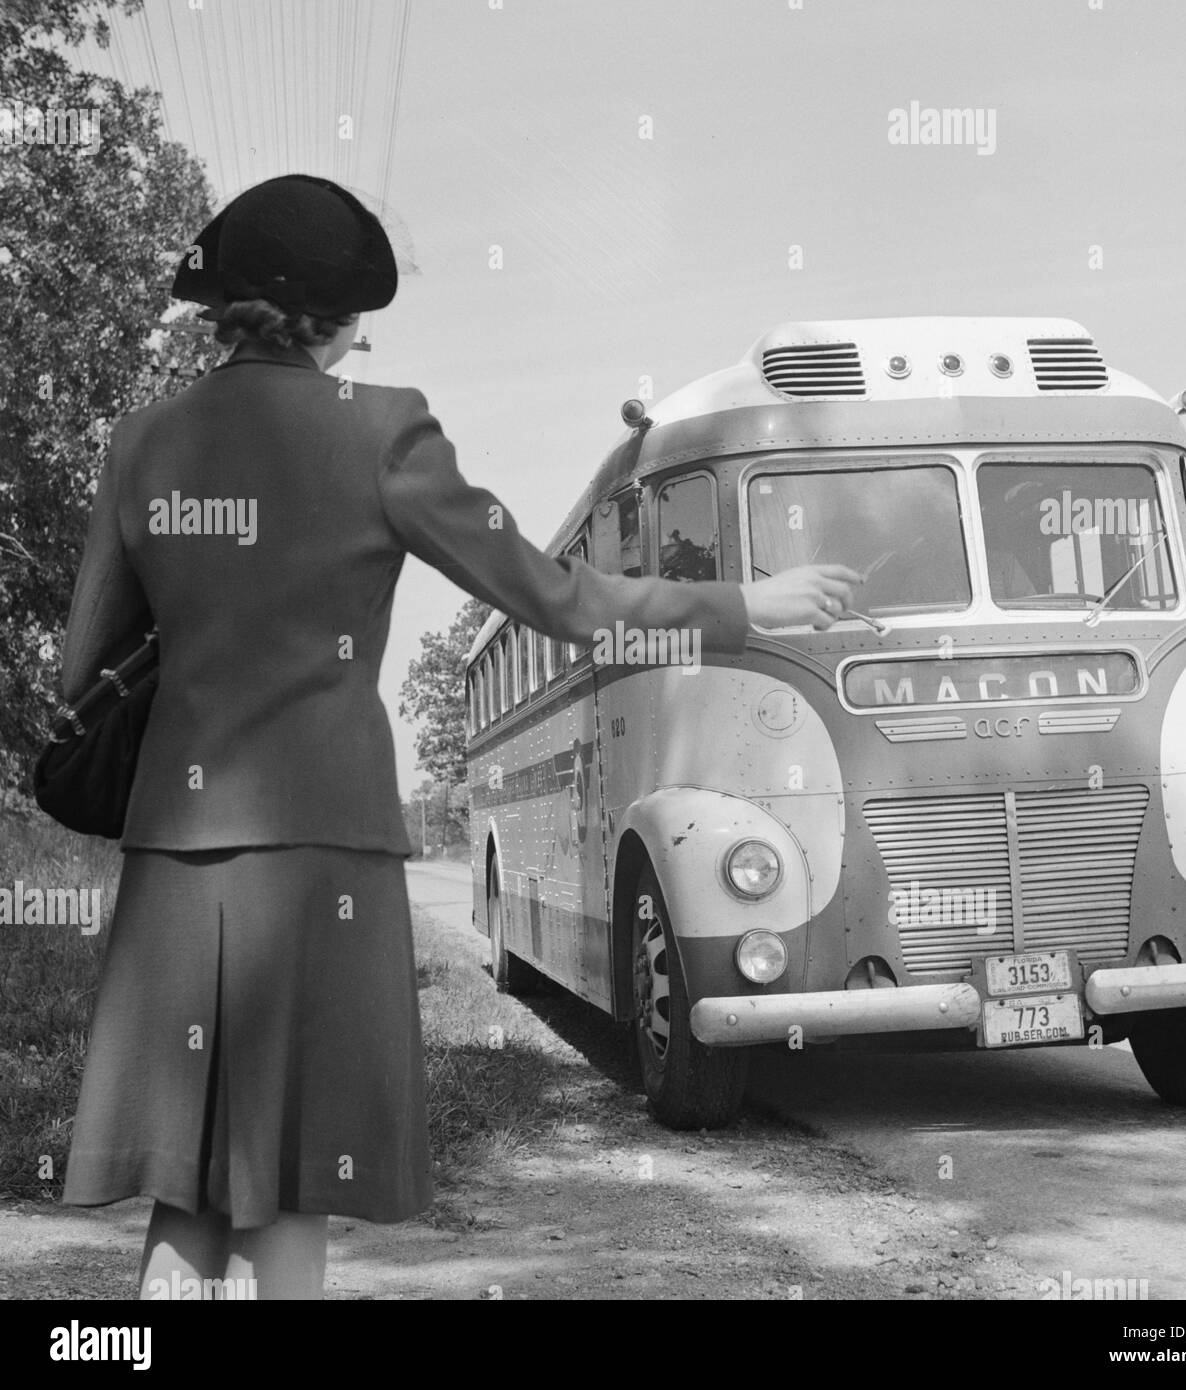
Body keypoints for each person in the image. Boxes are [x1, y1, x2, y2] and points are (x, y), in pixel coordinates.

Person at [58, 174, 859, 1300]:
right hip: (321, 857)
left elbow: (78, 667)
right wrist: (740, 605)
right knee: (289, 1189)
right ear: (336, 319)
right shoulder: (383, 432)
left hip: (175, 864)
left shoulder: (141, 444)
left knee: (187, 1198)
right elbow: (556, 597)